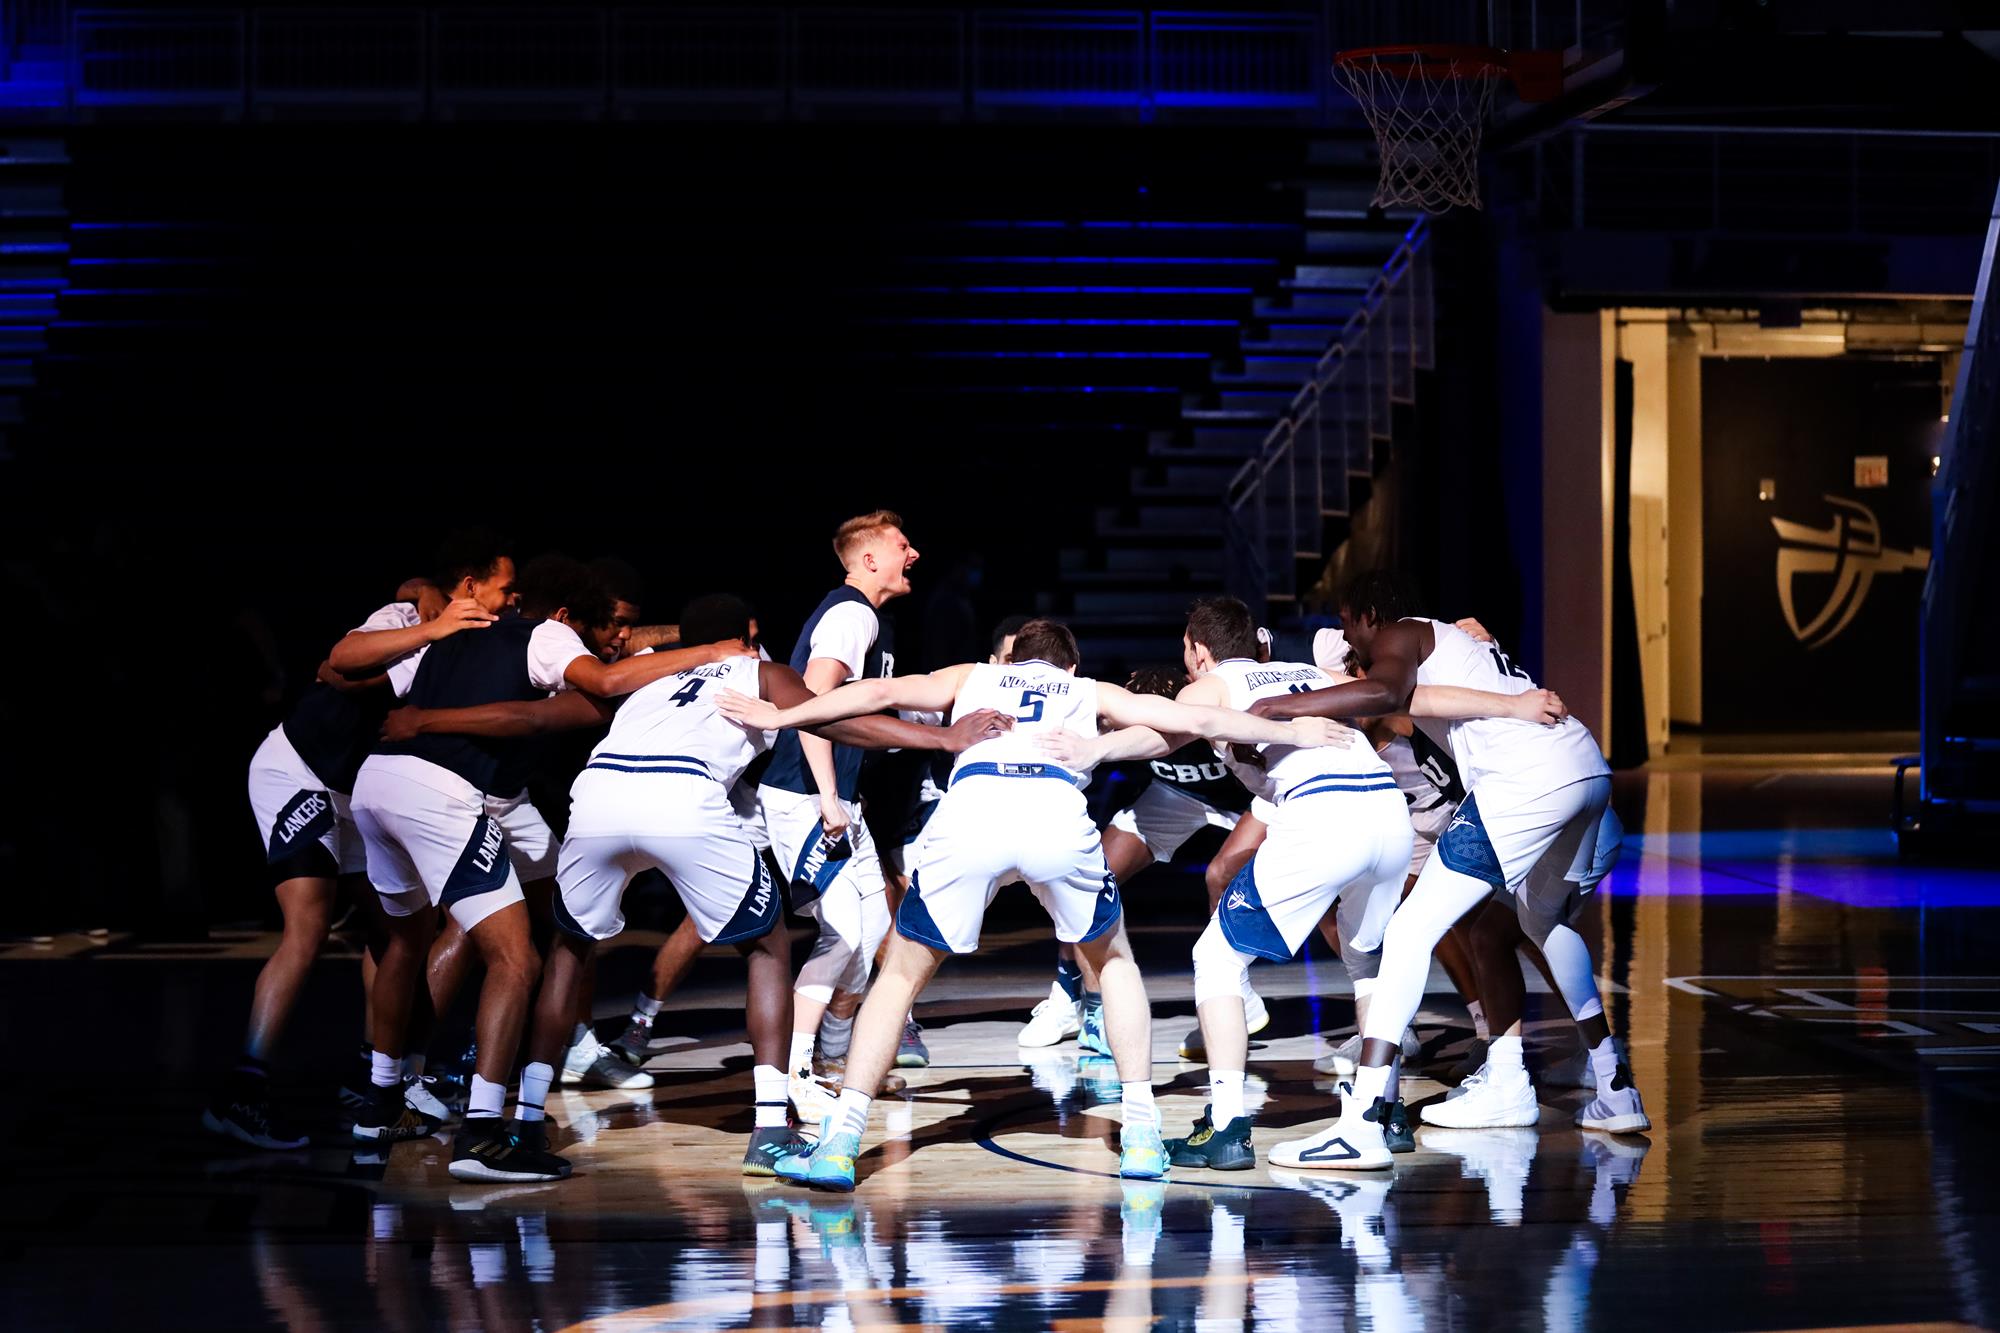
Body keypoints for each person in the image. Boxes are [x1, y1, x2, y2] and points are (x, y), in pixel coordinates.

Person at [712, 616, 1363, 1190]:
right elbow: (1194, 719)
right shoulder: (1086, 690)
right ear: (1070, 666)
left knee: (903, 973)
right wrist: (1296, 726)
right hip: (1054, 815)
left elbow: (875, 691)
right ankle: (1139, 1131)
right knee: (1114, 963)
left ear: (1009, 658)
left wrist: (780, 717)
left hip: (973, 812)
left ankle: (840, 1144)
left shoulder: (973, 675)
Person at [1238, 571, 1647, 1170]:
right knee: (1537, 924)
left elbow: (1380, 692)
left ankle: (1362, 1123)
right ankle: (1610, 1086)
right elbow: (1409, 698)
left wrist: (1276, 705)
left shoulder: (1402, 635)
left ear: (1374, 615)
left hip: (1523, 781)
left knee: (1408, 932)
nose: (1349, 635)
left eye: (1352, 621)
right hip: (1585, 770)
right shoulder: (1458, 645)